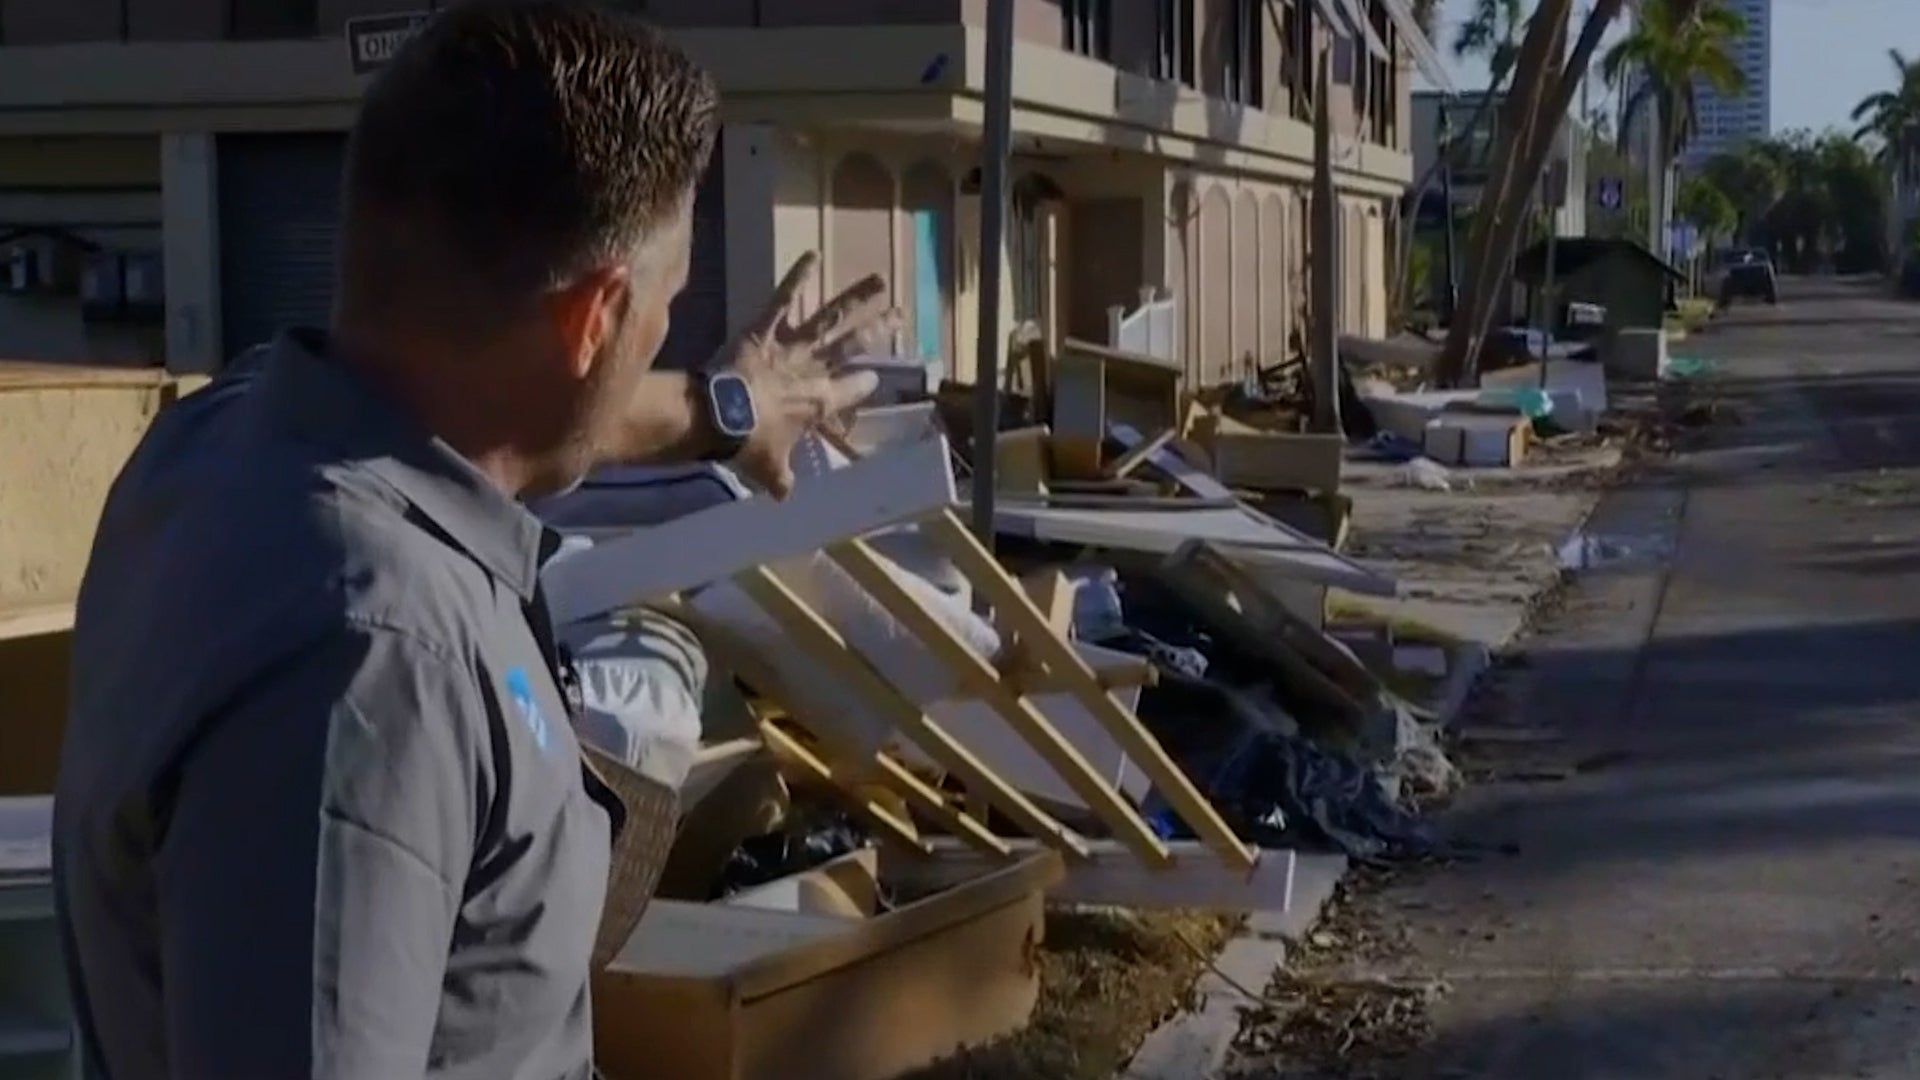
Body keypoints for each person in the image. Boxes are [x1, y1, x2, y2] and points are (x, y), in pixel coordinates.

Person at [51, 1, 885, 1077]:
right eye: (661, 313)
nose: (660, 344)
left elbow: (527, 394)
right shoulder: (373, 666)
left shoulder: (229, 437)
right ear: (594, 320)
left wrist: (726, 409)